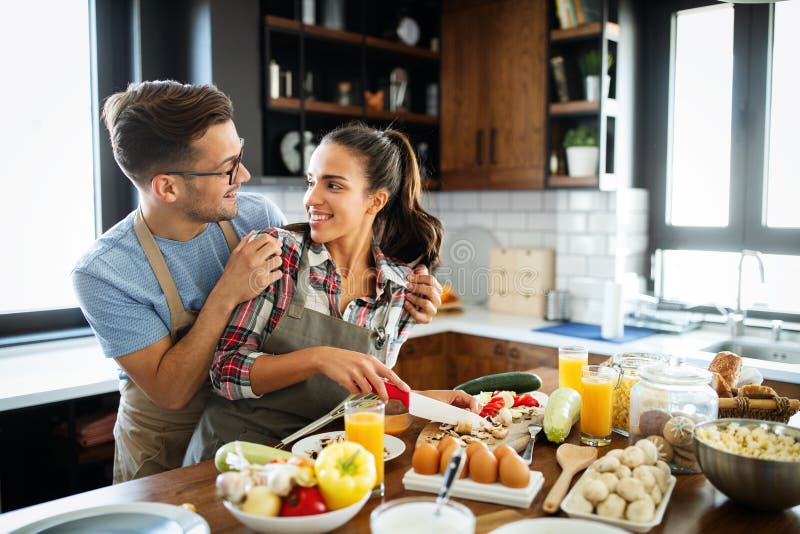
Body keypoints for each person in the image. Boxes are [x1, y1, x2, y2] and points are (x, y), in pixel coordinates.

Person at [71, 81, 443, 483]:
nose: (244, 175)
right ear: (167, 187)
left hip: (278, 440)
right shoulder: (104, 272)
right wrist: (227, 293)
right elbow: (173, 392)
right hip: (162, 445)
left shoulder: (255, 216)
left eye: (240, 156)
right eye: (228, 167)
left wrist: (409, 287)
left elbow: (328, 262)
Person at [183, 123, 476, 463]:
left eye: (333, 185)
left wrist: (423, 401)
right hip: (235, 458)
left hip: (324, 461)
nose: (312, 198)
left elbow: (364, 399)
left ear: (375, 201)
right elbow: (226, 372)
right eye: (312, 181)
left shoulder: (397, 290)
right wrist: (318, 358)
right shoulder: (279, 254)